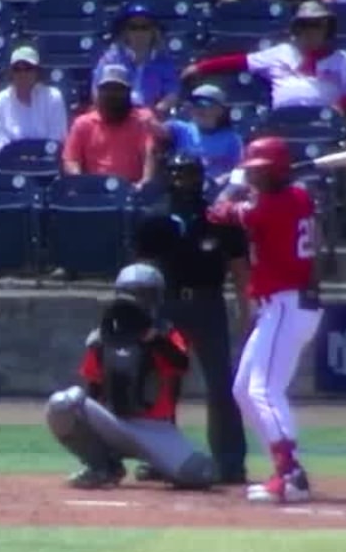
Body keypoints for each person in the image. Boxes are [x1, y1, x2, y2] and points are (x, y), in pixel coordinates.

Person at [211, 136, 323, 504]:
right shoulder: (296, 197)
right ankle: (285, 471)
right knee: (244, 389)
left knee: (264, 391)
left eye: (261, 171)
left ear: (276, 172)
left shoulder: (270, 208)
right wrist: (253, 181)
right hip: (283, 306)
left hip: (287, 306)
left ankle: (291, 475)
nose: (256, 177)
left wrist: (234, 183)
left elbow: (219, 211)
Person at [43, 262, 216, 490]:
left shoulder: (167, 333)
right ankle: (103, 466)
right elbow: (93, 388)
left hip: (155, 431)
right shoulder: (102, 336)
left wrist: (154, 340)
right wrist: (97, 436)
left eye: (143, 294)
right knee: (62, 404)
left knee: (199, 473)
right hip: (114, 423)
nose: (136, 299)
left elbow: (180, 364)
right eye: (130, 293)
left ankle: (158, 465)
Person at [132, 154, 250, 485]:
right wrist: (141, 314)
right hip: (166, 304)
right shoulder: (156, 216)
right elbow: (141, 268)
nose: (186, 181)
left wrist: (246, 313)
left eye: (192, 175)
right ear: (170, 176)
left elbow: (240, 270)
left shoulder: (218, 217)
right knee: (161, 384)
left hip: (208, 304)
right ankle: (160, 458)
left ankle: (230, 462)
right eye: (180, 175)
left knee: (221, 386)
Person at [183, 1, 346, 120]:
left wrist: (339, 107)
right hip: (283, 121)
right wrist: (201, 68)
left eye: (317, 25)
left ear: (327, 29)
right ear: (297, 29)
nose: (311, 30)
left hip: (323, 121)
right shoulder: (281, 53)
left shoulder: (342, 60)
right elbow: (241, 61)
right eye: (305, 25)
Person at [62, 65, 159, 187]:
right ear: (99, 92)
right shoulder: (82, 124)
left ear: (128, 93)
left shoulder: (142, 121)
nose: (112, 95)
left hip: (131, 190)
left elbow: (149, 156)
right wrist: (80, 182)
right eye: (107, 90)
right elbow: (71, 160)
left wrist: (143, 183)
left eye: (118, 90)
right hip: (94, 190)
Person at [92, 3, 181, 117]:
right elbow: (97, 92)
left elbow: (172, 93)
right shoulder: (110, 59)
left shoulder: (164, 62)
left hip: (152, 118)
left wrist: (155, 112)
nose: (139, 33)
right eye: (133, 27)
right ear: (125, 32)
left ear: (153, 31)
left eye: (145, 27)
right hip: (116, 117)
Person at [0, 45, 69, 151]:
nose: (22, 74)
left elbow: (57, 136)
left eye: (28, 68)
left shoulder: (53, 97)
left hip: (46, 161)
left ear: (37, 71)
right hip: (11, 162)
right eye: (17, 69)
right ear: (11, 73)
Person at [165, 84, 244, 185]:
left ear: (219, 110)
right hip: (183, 188)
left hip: (215, 192)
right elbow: (155, 129)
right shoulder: (179, 129)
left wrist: (225, 179)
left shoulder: (232, 139)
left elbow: (241, 170)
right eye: (194, 105)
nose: (198, 110)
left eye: (203, 106)